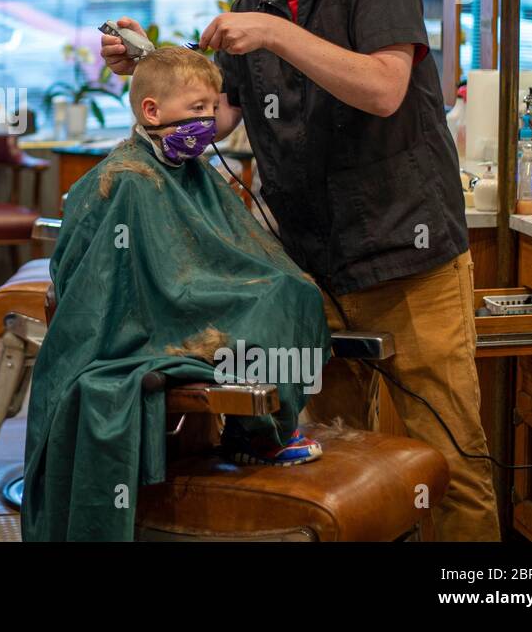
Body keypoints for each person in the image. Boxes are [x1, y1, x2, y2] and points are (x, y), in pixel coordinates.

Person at [102, 0, 500, 541]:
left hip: (410, 258)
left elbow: (383, 87)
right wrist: (147, 76)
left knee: (449, 458)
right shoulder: (258, 2)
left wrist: (277, 35)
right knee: (337, 460)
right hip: (312, 270)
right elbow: (218, 117)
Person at [22, 47, 330, 541]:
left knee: (293, 290)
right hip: (155, 310)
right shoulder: (127, 179)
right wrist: (219, 287)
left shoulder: (190, 171)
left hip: (191, 291)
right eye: (197, 109)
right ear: (151, 111)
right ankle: (264, 433)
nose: (210, 120)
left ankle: (260, 430)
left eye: (213, 108)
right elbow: (126, 276)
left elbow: (212, 249)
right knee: (270, 298)